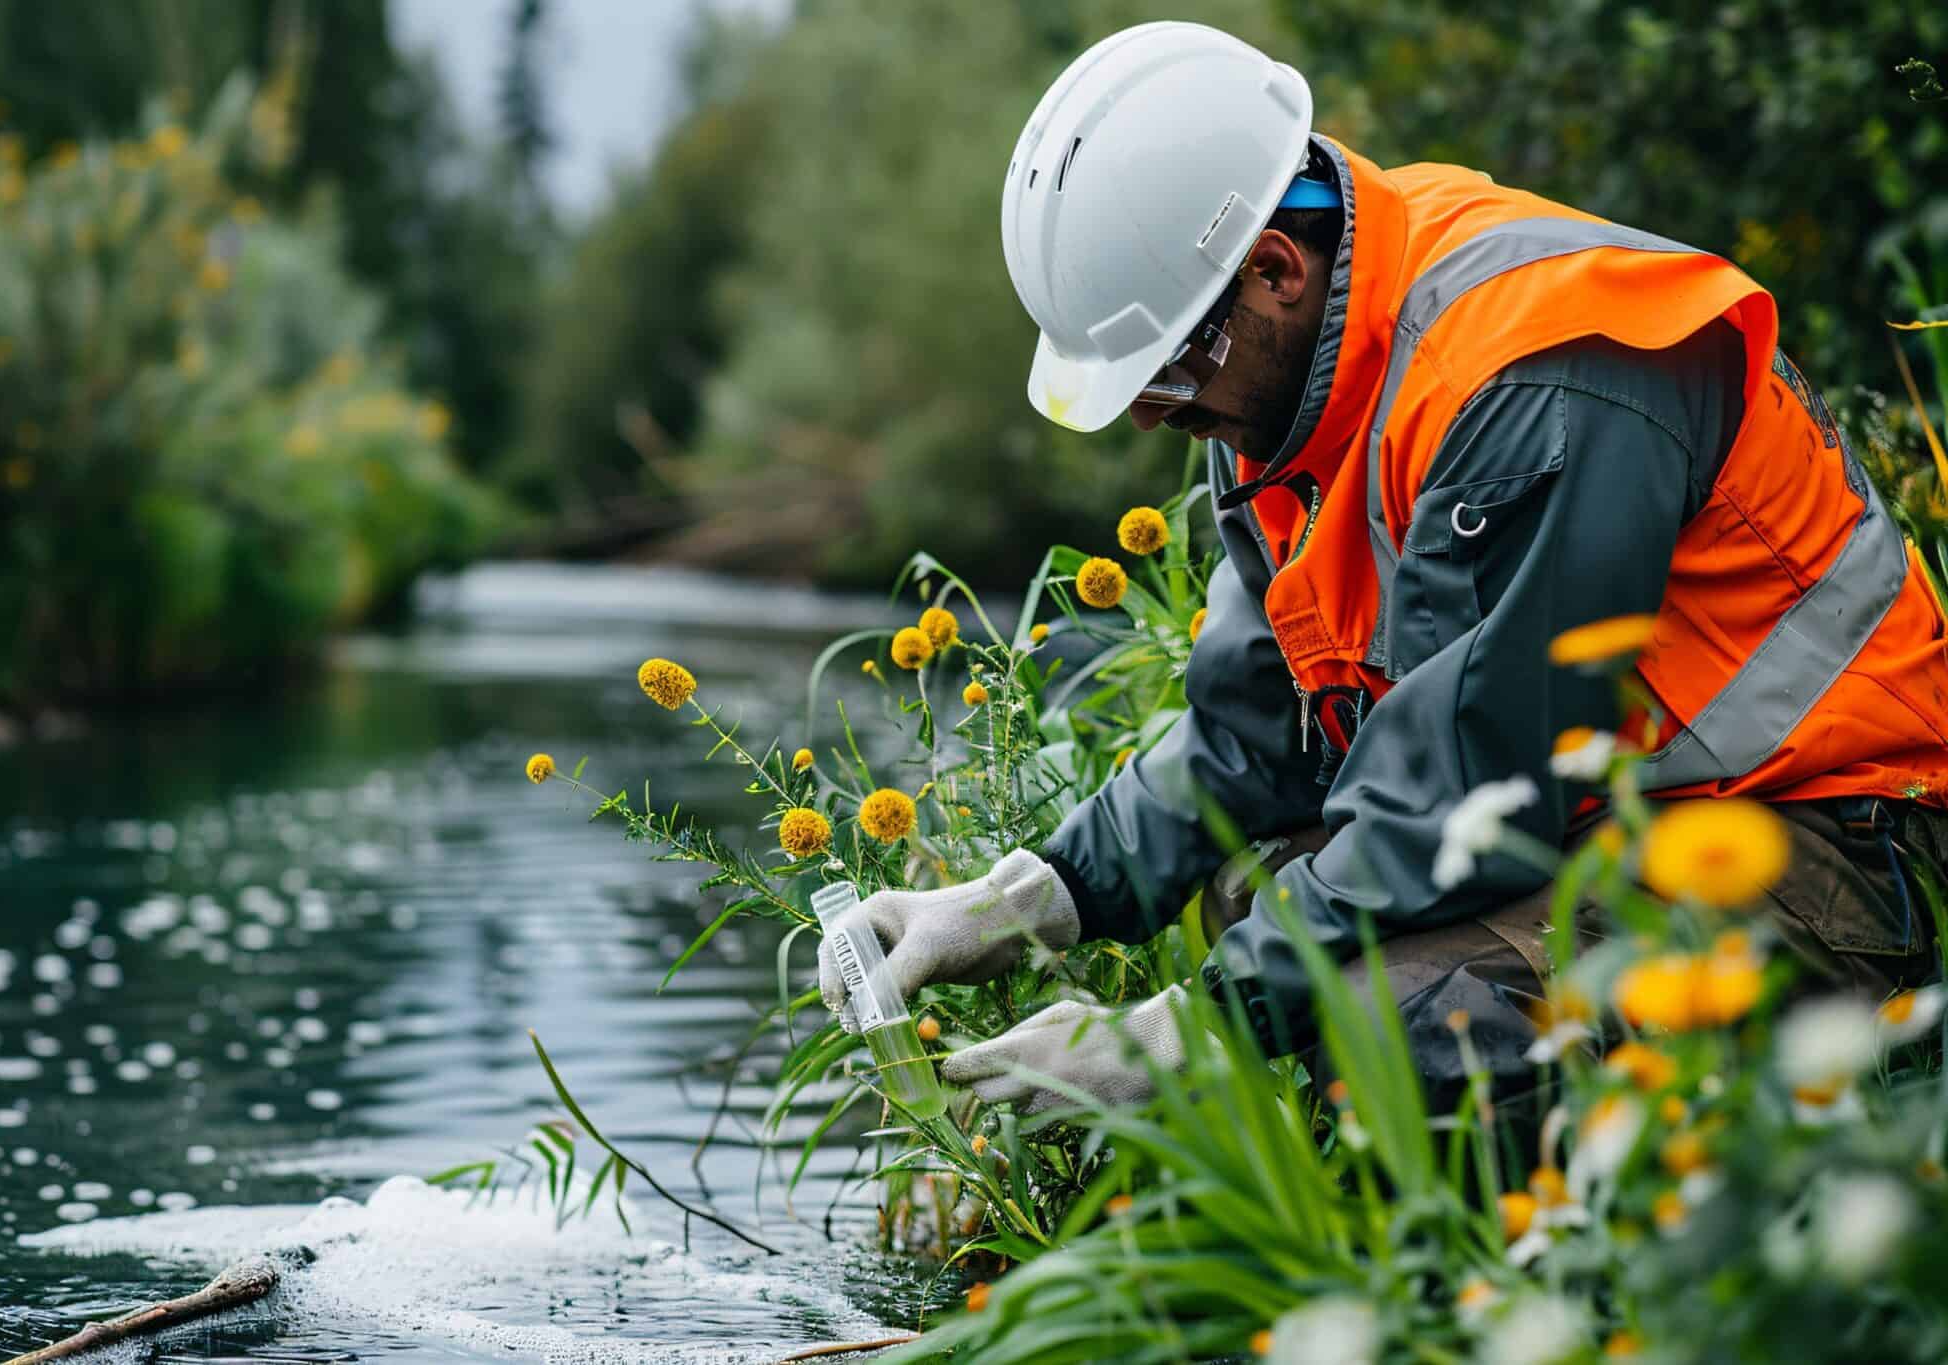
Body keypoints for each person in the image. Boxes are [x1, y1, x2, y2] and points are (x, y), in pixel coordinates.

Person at [818, 21, 1948, 1112]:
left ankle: (1538, 1288)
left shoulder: (1530, 374)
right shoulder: (1290, 406)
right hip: (1625, 818)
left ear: (1271, 269)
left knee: (1420, 1026)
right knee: (1245, 887)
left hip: (1840, 839)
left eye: (1165, 373)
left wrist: (1181, 1030)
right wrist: (1019, 901)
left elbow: (1467, 791)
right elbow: (1248, 736)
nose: (1159, 420)